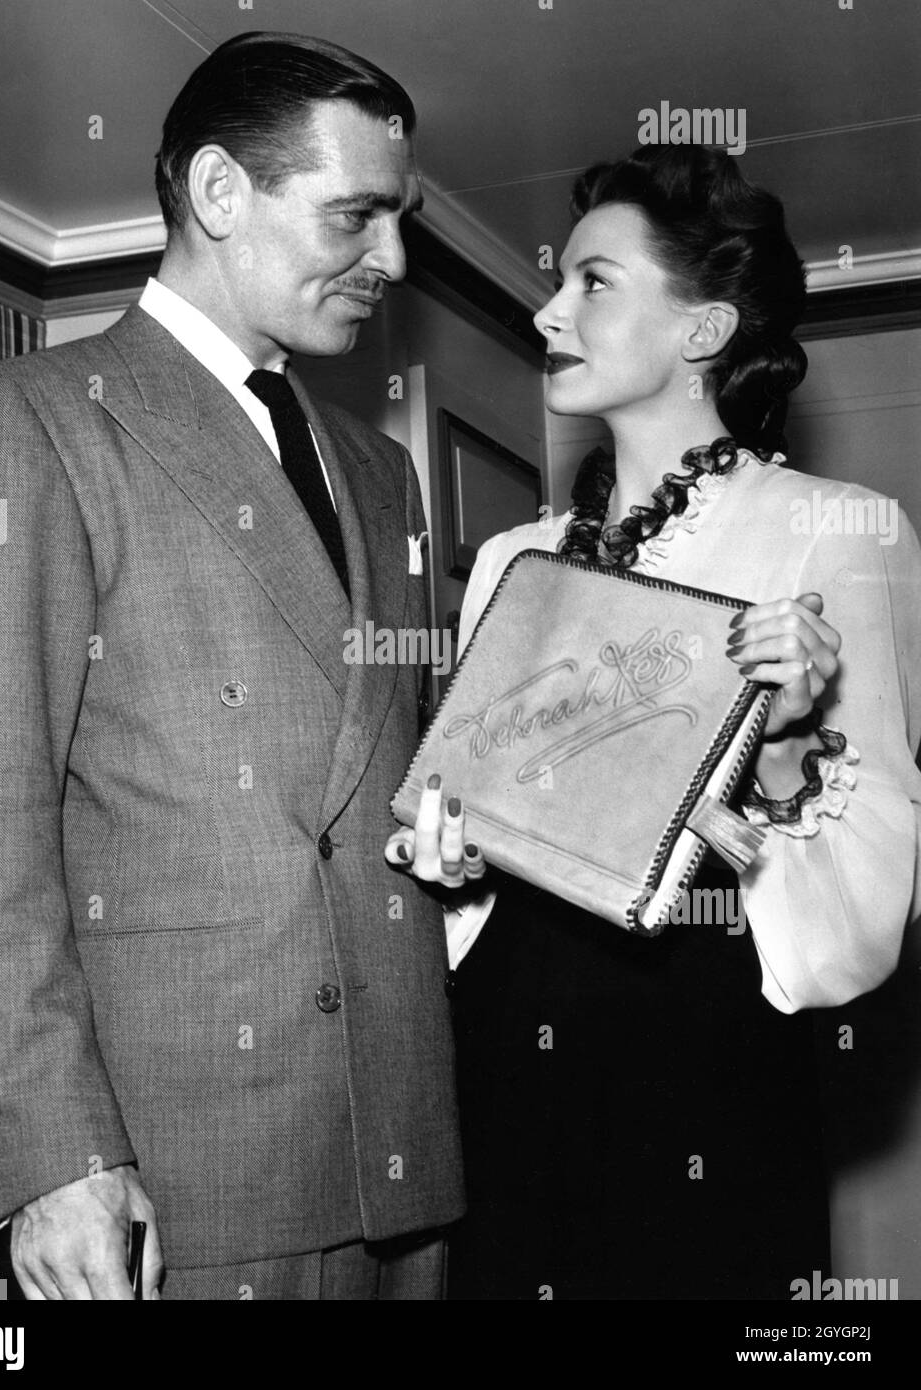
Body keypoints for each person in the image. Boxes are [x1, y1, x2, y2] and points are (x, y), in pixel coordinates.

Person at [0, 31, 463, 1301]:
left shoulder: (383, 474)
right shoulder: (23, 423)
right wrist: (51, 1159)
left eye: (402, 220)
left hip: (406, 1160)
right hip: (179, 1183)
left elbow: (390, 778)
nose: (395, 261)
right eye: (356, 216)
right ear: (216, 193)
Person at [387, 145, 921, 1299]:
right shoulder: (515, 560)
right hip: (508, 1038)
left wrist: (778, 743)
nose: (545, 313)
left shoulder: (838, 529)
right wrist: (448, 855)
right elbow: (469, 823)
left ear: (702, 329)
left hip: (701, 1031)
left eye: (592, 283)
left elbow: (878, 844)